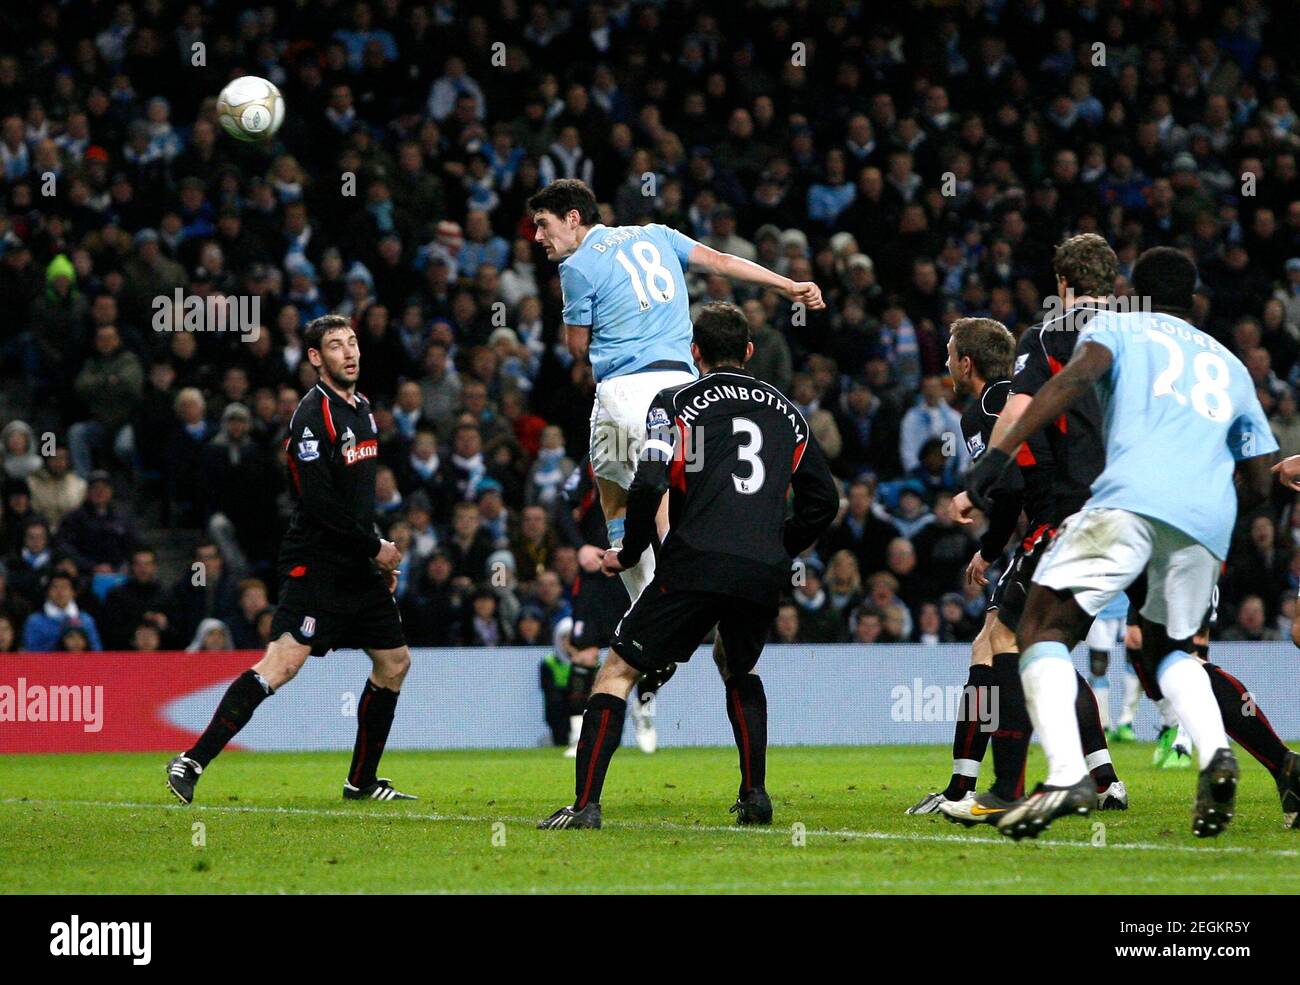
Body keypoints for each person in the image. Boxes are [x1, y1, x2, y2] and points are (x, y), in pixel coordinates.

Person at [965, 246, 1278, 839]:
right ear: (1195, 298)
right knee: (1170, 652)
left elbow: (1075, 379)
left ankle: (1065, 775)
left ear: (1135, 289)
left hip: (1127, 498)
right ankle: (1214, 754)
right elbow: (1260, 480)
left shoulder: (1120, 326)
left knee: (1038, 627)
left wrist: (1001, 453)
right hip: (1205, 523)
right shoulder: (1231, 363)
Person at [538, 301, 838, 829]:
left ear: (694, 352)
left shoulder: (674, 401)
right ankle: (755, 795)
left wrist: (629, 554)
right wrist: (777, 545)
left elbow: (649, 481)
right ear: (748, 351)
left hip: (694, 562)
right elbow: (823, 502)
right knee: (738, 666)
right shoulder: (787, 410)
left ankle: (585, 805)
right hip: (760, 571)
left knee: (617, 670)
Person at [166, 315, 412, 806]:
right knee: (282, 664)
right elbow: (321, 507)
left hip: (358, 563)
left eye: (353, 342)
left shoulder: (363, 409)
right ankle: (191, 759)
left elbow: (355, 501)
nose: (350, 353)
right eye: (336, 346)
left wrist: (375, 552)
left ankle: (361, 782)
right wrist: (374, 549)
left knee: (394, 663)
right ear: (316, 359)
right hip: (317, 563)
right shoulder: (310, 418)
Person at [935, 241, 1128, 826]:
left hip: (1065, 519)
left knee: (1002, 643)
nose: (946, 363)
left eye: (948, 354)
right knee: (1056, 650)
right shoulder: (1140, 333)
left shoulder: (1005, 388)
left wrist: (989, 543)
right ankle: (1103, 778)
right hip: (1140, 509)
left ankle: (989, 788)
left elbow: (1016, 481)